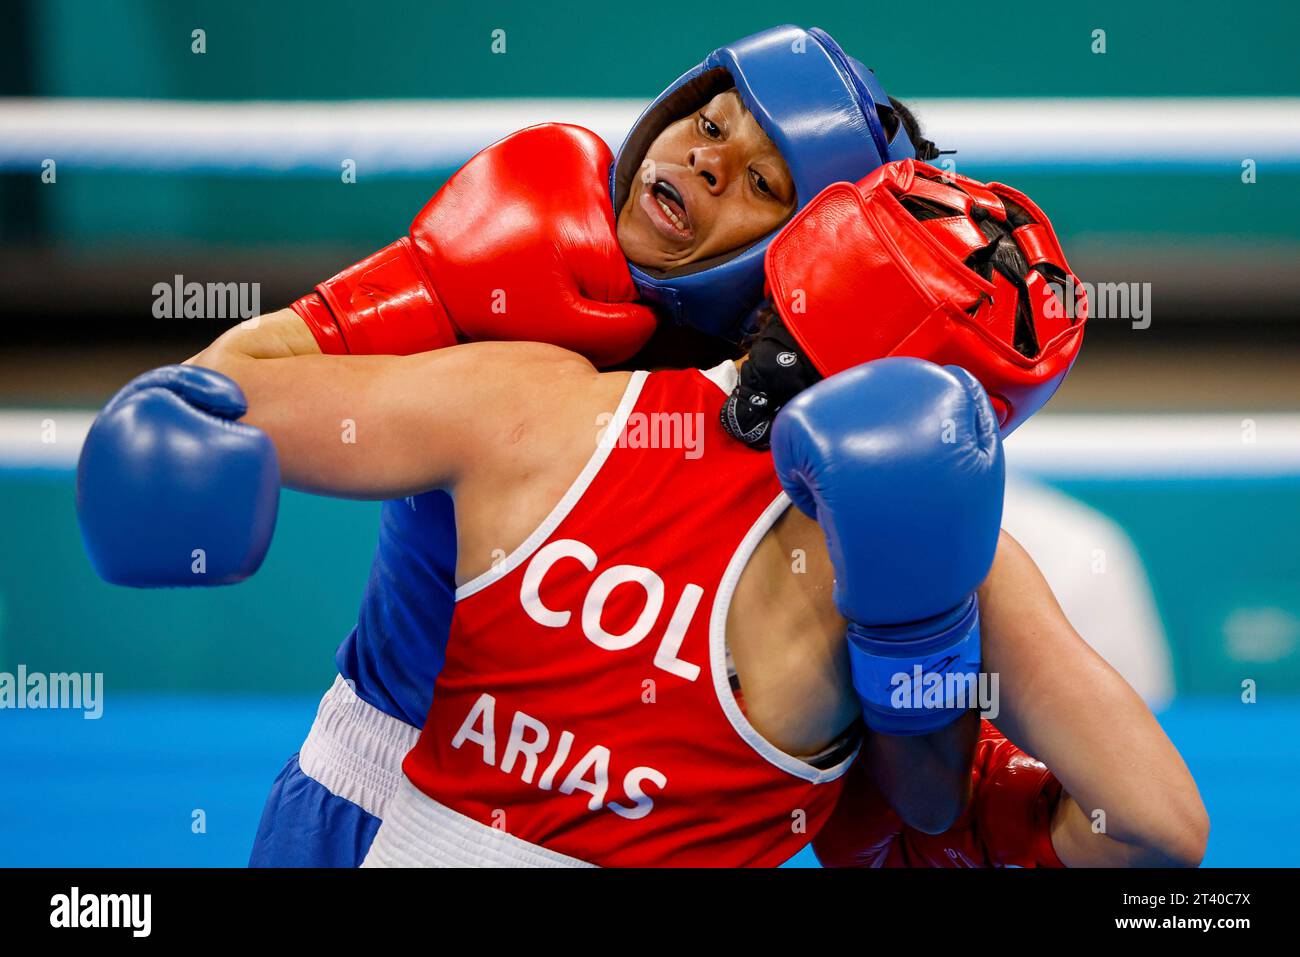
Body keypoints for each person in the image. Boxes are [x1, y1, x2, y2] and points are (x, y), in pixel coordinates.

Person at [79, 162, 1207, 866]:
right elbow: (1162, 827)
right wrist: (919, 667)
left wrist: (416, 287)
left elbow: (187, 418)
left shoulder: (531, 398)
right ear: (989, 414)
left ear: (791, 268)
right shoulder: (970, 566)